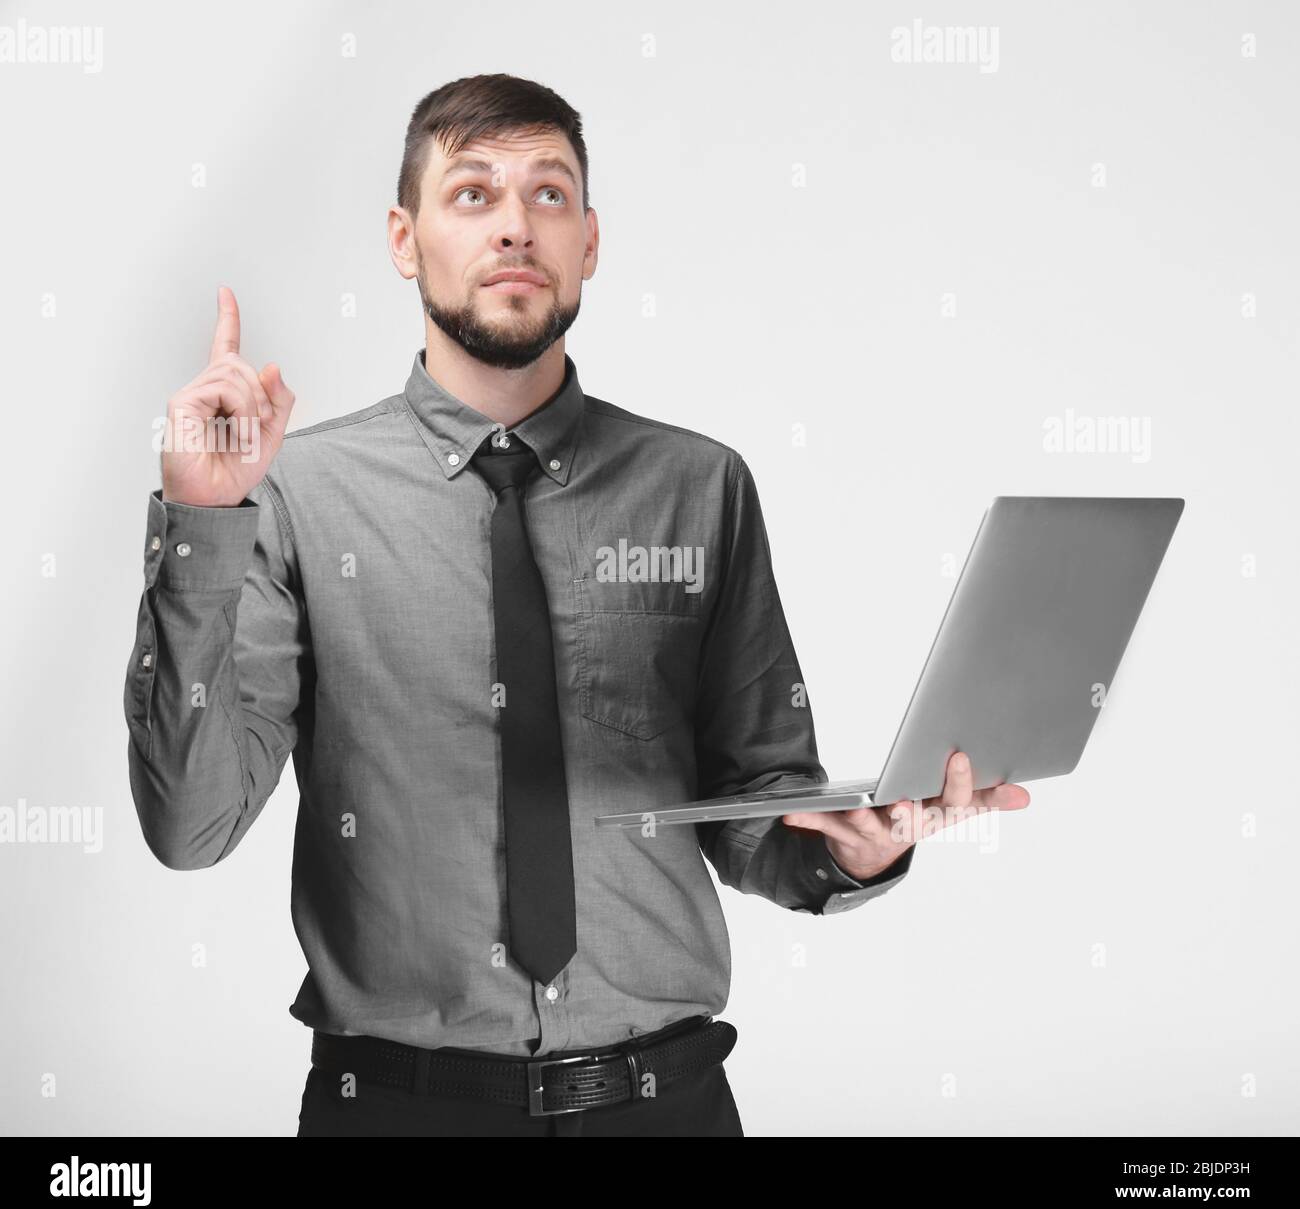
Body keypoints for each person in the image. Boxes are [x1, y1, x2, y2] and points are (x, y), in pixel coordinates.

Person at [124, 72, 1030, 1138]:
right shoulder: (295, 497)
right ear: (403, 237)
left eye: (548, 195)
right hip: (400, 1114)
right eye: (472, 193)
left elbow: (756, 807)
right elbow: (191, 826)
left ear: (588, 242)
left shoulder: (698, 484)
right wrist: (200, 523)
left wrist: (854, 848)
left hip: (666, 1107)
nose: (515, 224)